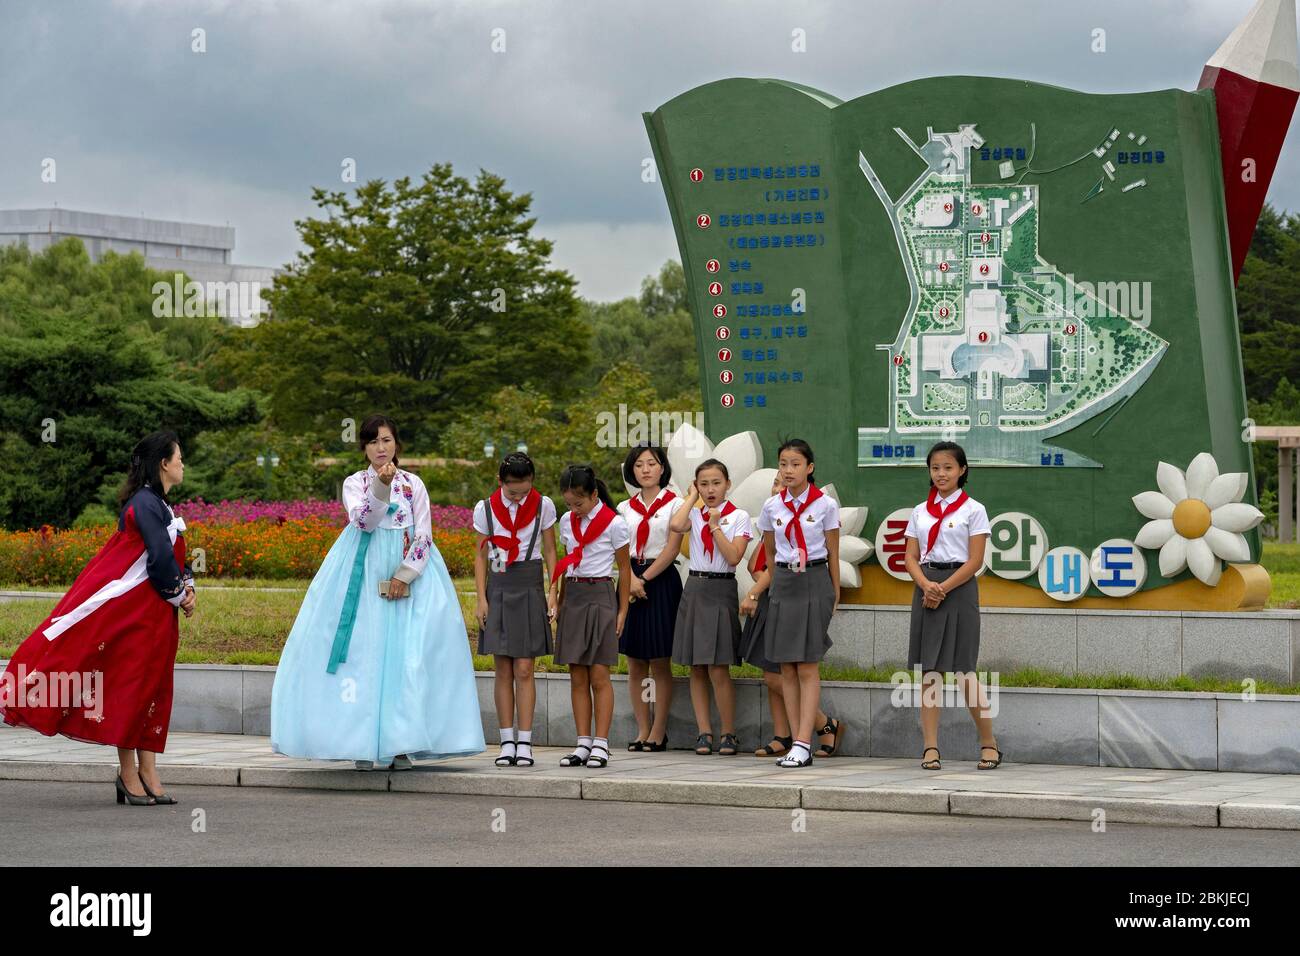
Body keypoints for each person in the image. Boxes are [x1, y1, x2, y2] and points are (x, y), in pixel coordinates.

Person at [270, 414, 484, 769]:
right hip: (363, 569)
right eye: (372, 442)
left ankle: (401, 743)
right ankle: (362, 743)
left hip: (411, 573)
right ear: (364, 448)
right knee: (364, 655)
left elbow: (424, 534)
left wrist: (405, 575)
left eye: (386, 440)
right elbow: (364, 521)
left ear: (396, 443)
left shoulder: (414, 484)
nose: (380, 448)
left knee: (407, 655)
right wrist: (380, 489)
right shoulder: (354, 483)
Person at [1, 430, 195, 806]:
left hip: (155, 614)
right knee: (132, 688)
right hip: (136, 614)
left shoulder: (159, 504)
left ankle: (149, 771)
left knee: (153, 688)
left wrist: (188, 586)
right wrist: (180, 594)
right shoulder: (144, 504)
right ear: (163, 464)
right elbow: (156, 560)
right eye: (179, 457)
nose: (182, 464)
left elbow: (172, 558)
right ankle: (128, 774)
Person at [903, 440, 1000, 771]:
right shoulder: (919, 511)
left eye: (948, 467)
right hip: (926, 588)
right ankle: (930, 748)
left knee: (964, 671)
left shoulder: (974, 509)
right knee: (930, 672)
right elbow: (910, 557)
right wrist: (926, 585)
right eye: (935, 468)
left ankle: (989, 744)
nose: (941, 473)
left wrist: (942, 587)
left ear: (962, 470)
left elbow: (974, 561)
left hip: (957, 590)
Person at [739, 477, 845, 758]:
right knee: (784, 668)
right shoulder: (772, 507)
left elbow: (833, 551)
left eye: (795, 464)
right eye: (783, 465)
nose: (787, 472)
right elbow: (769, 555)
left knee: (807, 666)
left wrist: (834, 591)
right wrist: (770, 589)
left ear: (809, 468)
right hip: (783, 585)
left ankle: (802, 742)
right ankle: (798, 743)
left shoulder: (825, 505)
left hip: (814, 581)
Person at [473, 452, 558, 768]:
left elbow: (550, 549)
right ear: (500, 482)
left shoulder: (543, 505)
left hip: (529, 582)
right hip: (499, 583)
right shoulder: (485, 508)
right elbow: (480, 556)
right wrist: (481, 598)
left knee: (525, 667)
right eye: (513, 492)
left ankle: (525, 741)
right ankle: (506, 740)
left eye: (525, 490)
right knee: (503, 668)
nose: (520, 497)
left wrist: (553, 590)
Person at [668, 460, 750, 756]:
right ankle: (704, 732)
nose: (710, 489)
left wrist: (715, 526)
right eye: (704, 484)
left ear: (728, 483)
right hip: (696, 587)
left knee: (718, 666)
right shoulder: (693, 512)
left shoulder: (738, 516)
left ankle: (728, 732)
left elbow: (733, 557)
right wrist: (691, 498)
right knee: (697, 666)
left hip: (721, 588)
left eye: (716, 483)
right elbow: (676, 526)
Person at [552, 464, 631, 769]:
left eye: (579, 503)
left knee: (599, 674)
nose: (574, 509)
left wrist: (622, 610)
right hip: (573, 596)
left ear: (595, 494)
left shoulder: (615, 524)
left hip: (600, 595)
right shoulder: (566, 522)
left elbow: (624, 570)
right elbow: (567, 562)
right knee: (577, 674)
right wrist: (558, 602)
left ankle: (601, 743)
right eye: (569, 503)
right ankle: (582, 743)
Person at [616, 444, 684, 752]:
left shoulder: (675, 504)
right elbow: (618, 550)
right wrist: (631, 580)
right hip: (630, 580)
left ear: (662, 469)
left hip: (660, 581)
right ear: (632, 470)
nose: (645, 469)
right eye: (639, 464)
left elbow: (672, 548)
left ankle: (659, 729)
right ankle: (642, 728)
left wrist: (644, 579)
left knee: (659, 661)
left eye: (652, 464)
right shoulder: (623, 509)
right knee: (635, 661)